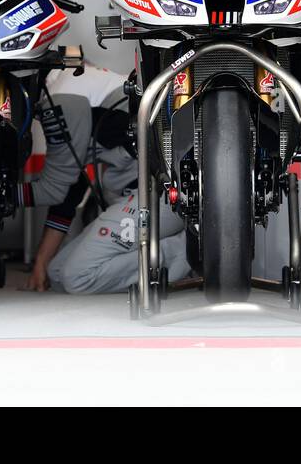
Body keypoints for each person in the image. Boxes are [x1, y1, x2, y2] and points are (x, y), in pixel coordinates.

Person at [19, 65, 191, 294]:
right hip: (142, 198)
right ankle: (163, 249)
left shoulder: (61, 96)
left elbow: (54, 190)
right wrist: (40, 263)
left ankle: (186, 253)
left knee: (77, 277)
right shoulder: (77, 84)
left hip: (161, 196)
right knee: (57, 272)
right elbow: (69, 192)